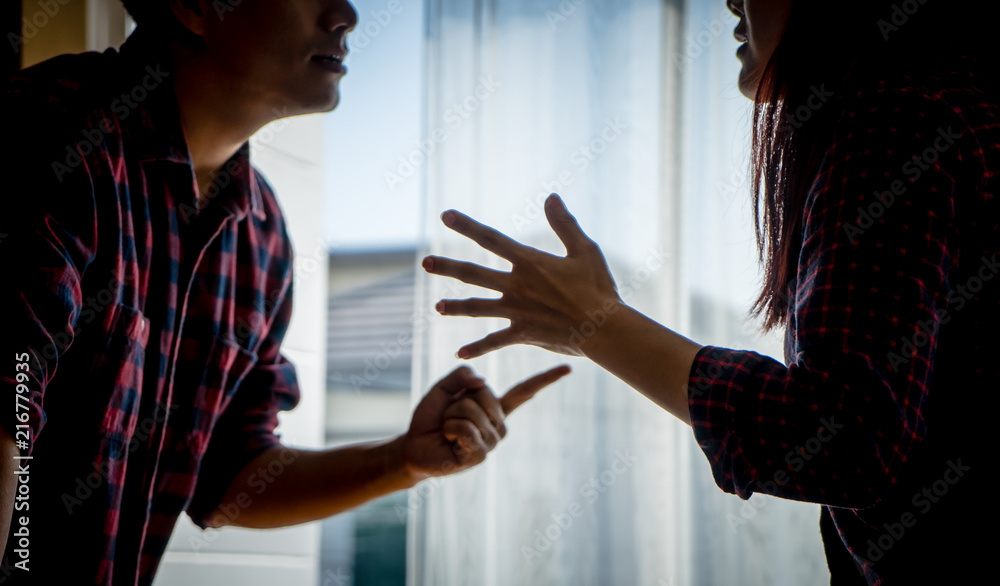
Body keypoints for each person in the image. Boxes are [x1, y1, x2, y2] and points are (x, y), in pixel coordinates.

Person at [424, 0, 998, 583]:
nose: (729, 1)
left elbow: (847, 440)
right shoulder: (944, 101)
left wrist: (599, 324)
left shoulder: (901, 118)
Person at [0, 1, 570, 583]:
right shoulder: (44, 133)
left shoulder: (259, 228)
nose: (346, 14)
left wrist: (403, 460)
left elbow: (230, 474)